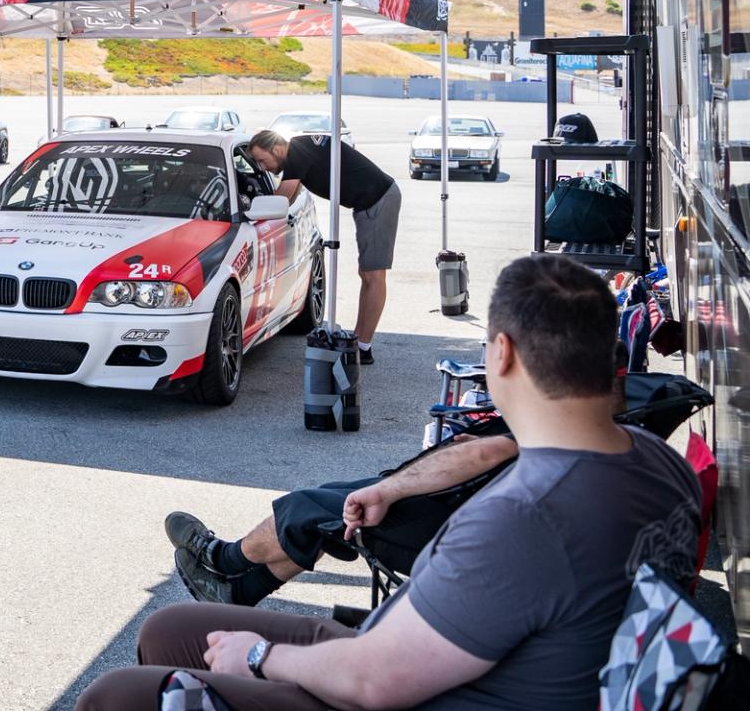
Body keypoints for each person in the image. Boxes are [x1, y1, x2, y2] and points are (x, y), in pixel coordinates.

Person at [74, 253, 702, 711]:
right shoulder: (654, 460)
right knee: (171, 629)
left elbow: (374, 683)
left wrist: (259, 659)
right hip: (444, 654)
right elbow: (502, 450)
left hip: (409, 688)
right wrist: (396, 488)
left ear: (502, 354)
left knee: (118, 696)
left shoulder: (522, 518)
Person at [164, 431, 519, 607]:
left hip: (458, 536)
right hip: (472, 519)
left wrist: (389, 490)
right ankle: (240, 592)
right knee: (328, 498)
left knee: (308, 508)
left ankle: (222, 558)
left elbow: (492, 450)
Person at [247, 128, 399, 363]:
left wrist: (250, 210)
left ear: (276, 149)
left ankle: (363, 349)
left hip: (379, 199)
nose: (262, 167)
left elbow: (282, 198)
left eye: (262, 160)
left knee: (373, 276)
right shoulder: (299, 153)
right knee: (367, 275)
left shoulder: (296, 151)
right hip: (370, 202)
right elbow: (292, 196)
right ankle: (358, 341)